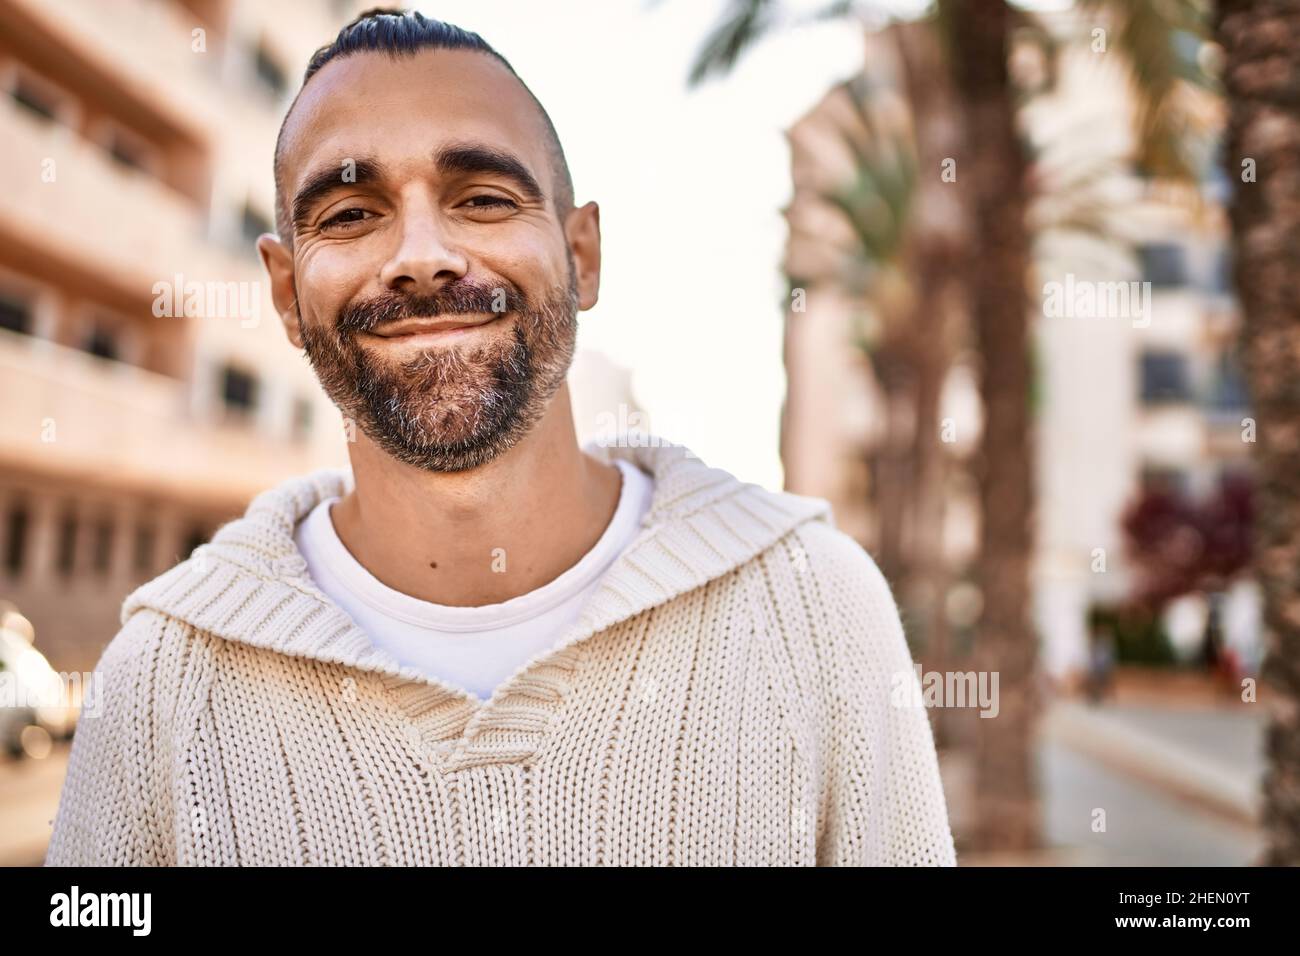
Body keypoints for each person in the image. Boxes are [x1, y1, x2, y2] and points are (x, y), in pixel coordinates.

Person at [45, 8, 956, 866]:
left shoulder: (816, 606)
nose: (422, 255)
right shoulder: (158, 682)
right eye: (352, 214)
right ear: (286, 292)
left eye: (481, 197)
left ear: (582, 254)